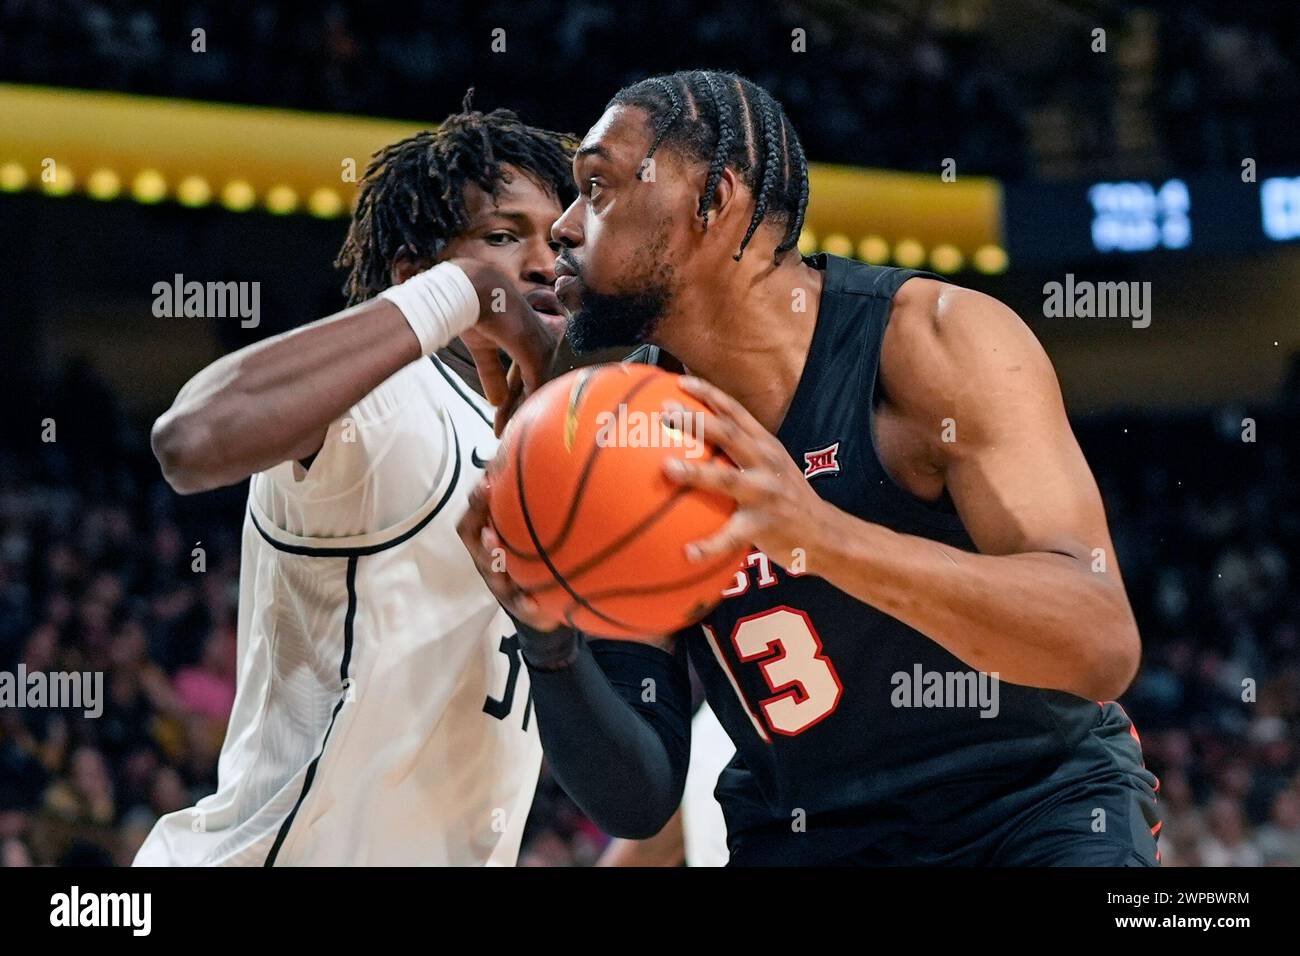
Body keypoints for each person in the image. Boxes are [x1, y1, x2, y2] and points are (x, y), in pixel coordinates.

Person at [459, 70, 1161, 866]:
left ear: (712, 202)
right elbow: (638, 794)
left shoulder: (933, 341)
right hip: (806, 835)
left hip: (1029, 812)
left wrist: (822, 537)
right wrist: (547, 634)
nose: (566, 225)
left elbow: (1100, 643)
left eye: (598, 187)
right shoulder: (624, 434)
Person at [135, 100, 575, 865]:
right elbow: (190, 440)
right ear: (413, 275)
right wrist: (465, 292)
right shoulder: (389, 399)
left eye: (558, 241)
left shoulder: (574, 443)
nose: (541, 264)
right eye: (502, 238)